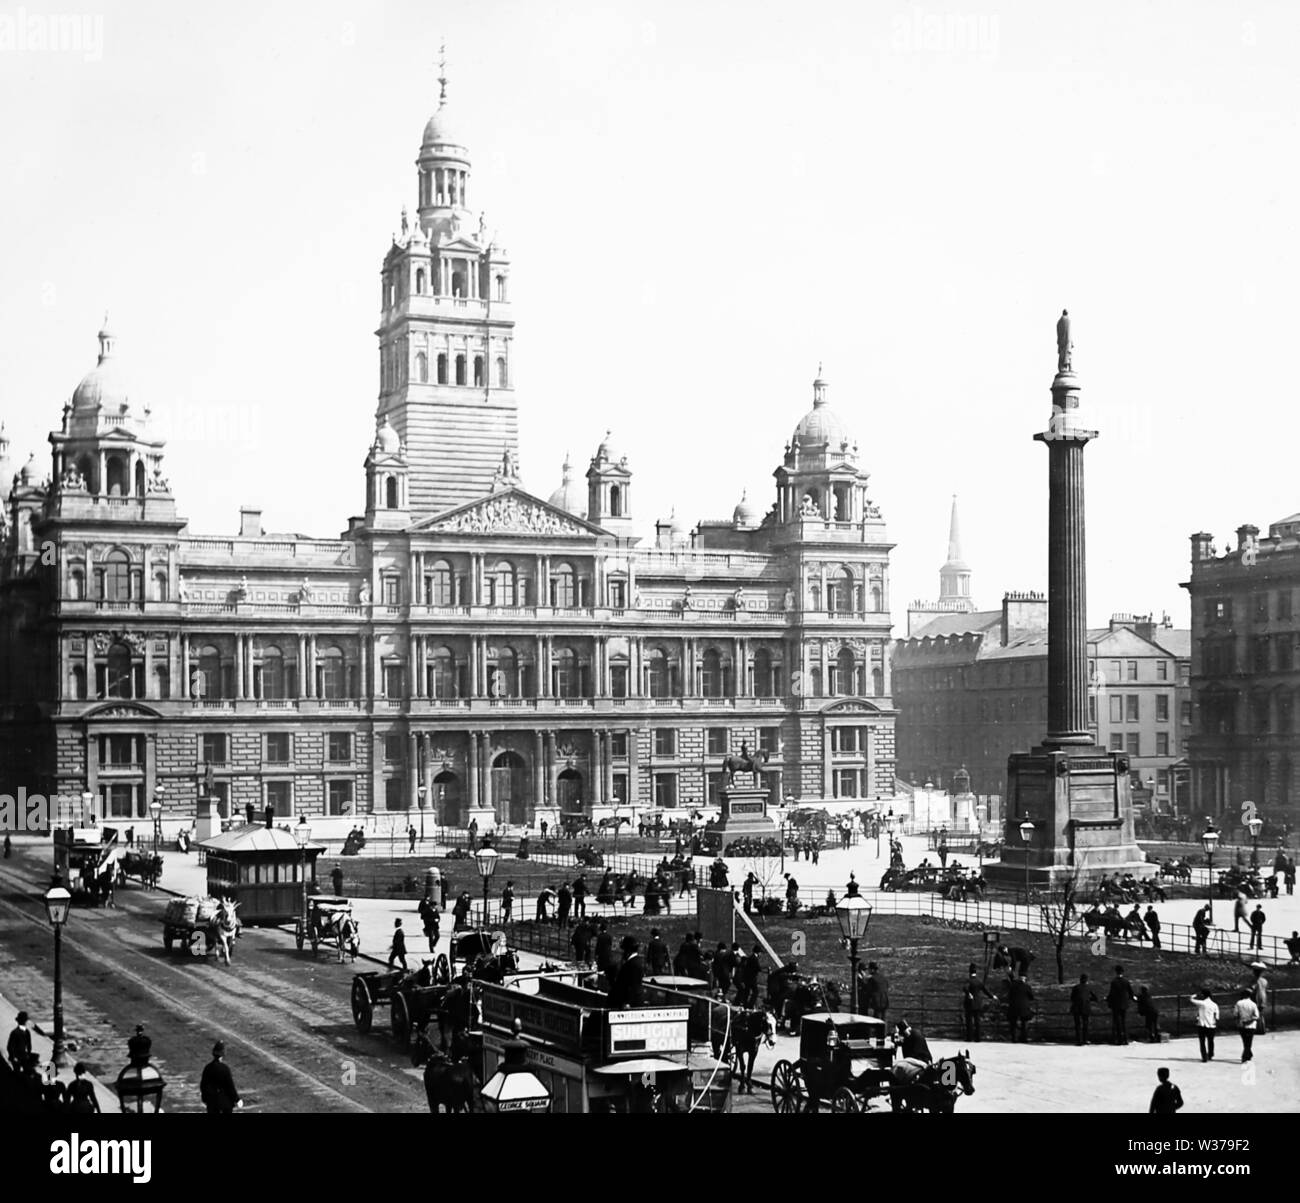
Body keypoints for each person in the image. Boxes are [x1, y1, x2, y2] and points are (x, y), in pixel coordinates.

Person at [199, 1042, 243, 1113]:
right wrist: (237, 1099)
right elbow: (230, 1086)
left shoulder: (208, 1068)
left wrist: (205, 1099)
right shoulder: (225, 1068)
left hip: (212, 1104)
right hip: (225, 1104)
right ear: (223, 1054)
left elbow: (203, 1086)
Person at [609, 935, 645, 1009]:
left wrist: (628, 1002)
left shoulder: (632, 964)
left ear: (627, 950)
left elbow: (632, 985)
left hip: (630, 1002)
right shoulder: (637, 961)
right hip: (632, 999)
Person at [1107, 965, 1136, 1045]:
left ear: (1116, 972)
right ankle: (1125, 1039)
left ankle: (1119, 1039)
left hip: (1116, 1004)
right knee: (1124, 1022)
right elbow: (1131, 992)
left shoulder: (1114, 982)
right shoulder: (1126, 981)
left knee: (1117, 1022)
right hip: (1124, 1004)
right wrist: (1133, 998)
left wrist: (1108, 999)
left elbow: (1111, 994)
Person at [962, 972, 995, 1042]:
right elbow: (985, 990)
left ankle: (969, 1037)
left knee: (969, 1021)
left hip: (970, 1004)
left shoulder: (969, 981)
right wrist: (992, 996)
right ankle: (978, 1038)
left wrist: (968, 993)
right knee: (977, 1021)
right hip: (978, 1003)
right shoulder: (979, 981)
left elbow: (965, 988)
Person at [1189, 989, 1219, 1061]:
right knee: (1211, 1041)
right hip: (1211, 1025)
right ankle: (1210, 1054)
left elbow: (1191, 999)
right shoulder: (1215, 1004)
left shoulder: (1202, 1003)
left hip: (1202, 1025)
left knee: (1202, 1042)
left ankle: (1204, 1056)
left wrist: (1195, 995)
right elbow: (1217, 1016)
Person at [1069, 974, 1098, 1046]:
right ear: (1086, 980)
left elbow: (1072, 998)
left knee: (1077, 1025)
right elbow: (1095, 998)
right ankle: (1085, 1039)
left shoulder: (1076, 987)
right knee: (1085, 1024)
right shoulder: (1088, 988)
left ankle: (1079, 1040)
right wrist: (1088, 999)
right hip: (1086, 1007)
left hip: (1077, 1008)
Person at [1006, 975, 1035, 1042]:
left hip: (1014, 1006)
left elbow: (1009, 996)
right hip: (1024, 1006)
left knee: (1013, 1023)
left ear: (1019, 979)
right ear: (1025, 979)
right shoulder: (1027, 987)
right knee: (1024, 1023)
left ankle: (1014, 1038)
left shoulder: (1013, 987)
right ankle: (1024, 1038)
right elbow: (1031, 997)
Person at [1234, 990, 1259, 1062]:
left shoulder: (1239, 1003)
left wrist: (1238, 1022)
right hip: (1251, 1025)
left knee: (1245, 1041)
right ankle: (1248, 1054)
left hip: (1241, 1025)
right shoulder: (1253, 1004)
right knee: (1249, 1041)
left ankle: (1245, 1056)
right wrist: (1249, 1021)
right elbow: (1256, 1016)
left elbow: (1235, 1014)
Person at [1250, 964, 1269, 1035]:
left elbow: (1252, 989)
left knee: (1255, 1014)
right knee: (1260, 1014)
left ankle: (1258, 1028)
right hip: (1263, 999)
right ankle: (1262, 1028)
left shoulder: (1254, 981)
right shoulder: (1264, 981)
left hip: (1256, 999)